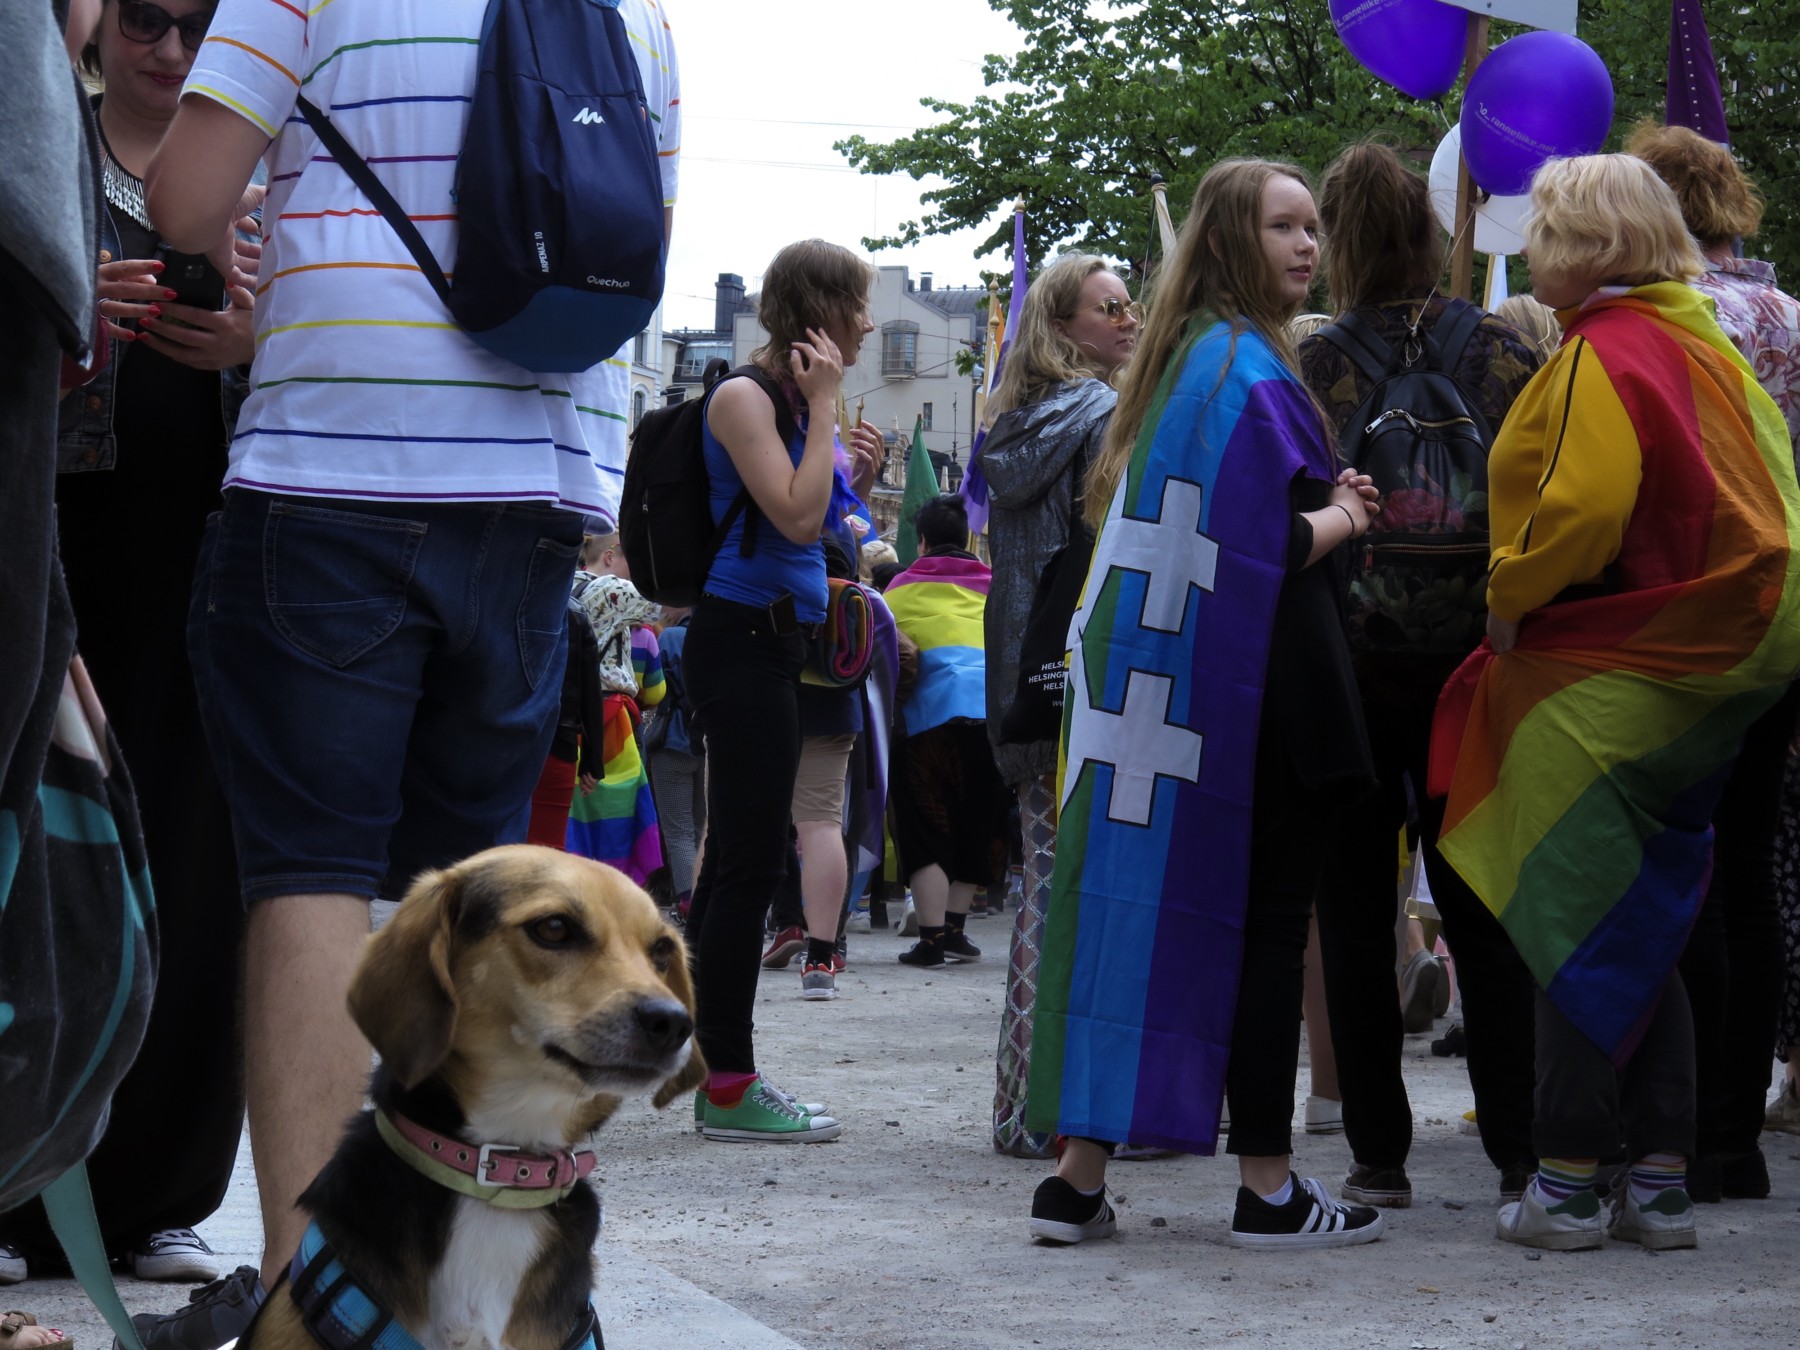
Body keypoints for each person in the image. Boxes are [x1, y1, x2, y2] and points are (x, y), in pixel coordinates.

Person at [134, 1, 680, 1342]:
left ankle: (310, 1297)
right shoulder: (637, 15)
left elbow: (184, 191)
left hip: (338, 465)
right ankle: (452, 1298)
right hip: (539, 488)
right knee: (468, 895)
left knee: (312, 871)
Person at [1430, 153, 1800, 1252]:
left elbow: (1585, 513)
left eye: (1543, 231)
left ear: (1592, 248)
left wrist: (1506, 596)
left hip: (1625, 657)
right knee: (1649, 911)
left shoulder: (1606, 349)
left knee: (1570, 910)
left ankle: (1570, 1184)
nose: (1531, 249)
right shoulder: (1702, 340)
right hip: (1722, 659)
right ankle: (1664, 1183)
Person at [1025, 158, 1385, 1249]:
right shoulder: (1248, 373)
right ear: (1232, 240)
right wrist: (1346, 517)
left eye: (1314, 226)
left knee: (1147, 909)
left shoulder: (1186, 364)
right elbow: (1259, 547)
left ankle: (1075, 1183)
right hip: (1271, 696)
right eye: (1283, 226)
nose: (1307, 245)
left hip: (1181, 700)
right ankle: (1269, 1189)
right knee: (1268, 935)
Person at [2, 0, 261, 1291]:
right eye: (149, 19)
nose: (170, 48)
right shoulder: (39, 125)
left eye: (200, 25)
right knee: (42, 871)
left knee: (200, 874)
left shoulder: (261, 169)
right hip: (59, 553)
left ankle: (158, 1189)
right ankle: (18, 1189)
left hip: (211, 572)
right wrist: (68, 324)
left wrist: (250, 339)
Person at [1296, 141, 1542, 1209]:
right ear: (1439, 229)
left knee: (1355, 910)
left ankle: (1377, 1156)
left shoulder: (1313, 363)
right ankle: (1519, 1149)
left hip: (1351, 668)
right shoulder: (1498, 349)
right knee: (1484, 902)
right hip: (1475, 672)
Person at [1628, 120, 1800, 1201]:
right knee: (1750, 866)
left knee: (1682, 867)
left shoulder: (1676, 319)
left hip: (1692, 616)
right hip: (1786, 612)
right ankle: (1737, 1134)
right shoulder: (1789, 314)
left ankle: (1679, 1128)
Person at [685, 238, 881, 1143]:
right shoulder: (742, 397)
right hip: (740, 641)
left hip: (779, 645)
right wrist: (828, 406)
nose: (870, 327)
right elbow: (795, 514)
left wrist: (854, 469)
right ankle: (727, 1083)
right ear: (820, 313)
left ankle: (708, 1065)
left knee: (742, 857)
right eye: (858, 308)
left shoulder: (792, 401)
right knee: (748, 864)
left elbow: (820, 527)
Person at [976, 252, 1137, 1156]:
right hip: (1085, 676)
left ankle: (1018, 1109)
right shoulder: (1109, 415)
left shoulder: (1010, 426)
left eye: (1130, 306)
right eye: (1108, 308)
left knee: (1041, 888)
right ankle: (1056, 1112)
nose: (1128, 320)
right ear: (1063, 327)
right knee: (1080, 893)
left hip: (1020, 677)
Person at [884, 494, 1012, 970]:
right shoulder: (997, 588)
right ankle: (956, 932)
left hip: (926, 723)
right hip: (990, 717)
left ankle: (932, 940)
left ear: (921, 542)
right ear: (966, 539)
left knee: (926, 827)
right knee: (978, 823)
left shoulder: (897, 590)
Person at [566, 536, 666, 885]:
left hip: (567, 713)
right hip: (610, 719)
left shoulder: (567, 583)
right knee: (618, 817)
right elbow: (664, 605)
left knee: (574, 811)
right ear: (610, 557)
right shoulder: (611, 588)